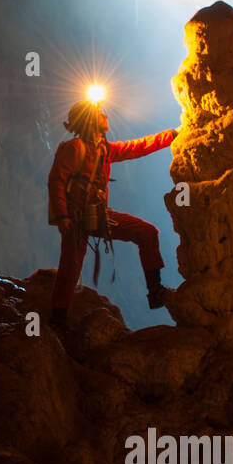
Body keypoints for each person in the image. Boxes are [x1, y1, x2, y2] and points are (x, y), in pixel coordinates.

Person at [47, 98, 178, 327]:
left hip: (98, 216)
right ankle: (57, 320)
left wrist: (174, 134)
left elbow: (138, 146)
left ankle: (155, 291)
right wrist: (63, 217)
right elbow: (56, 181)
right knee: (70, 268)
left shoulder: (104, 150)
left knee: (147, 233)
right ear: (89, 120)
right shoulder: (74, 148)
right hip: (76, 220)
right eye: (100, 113)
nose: (105, 116)